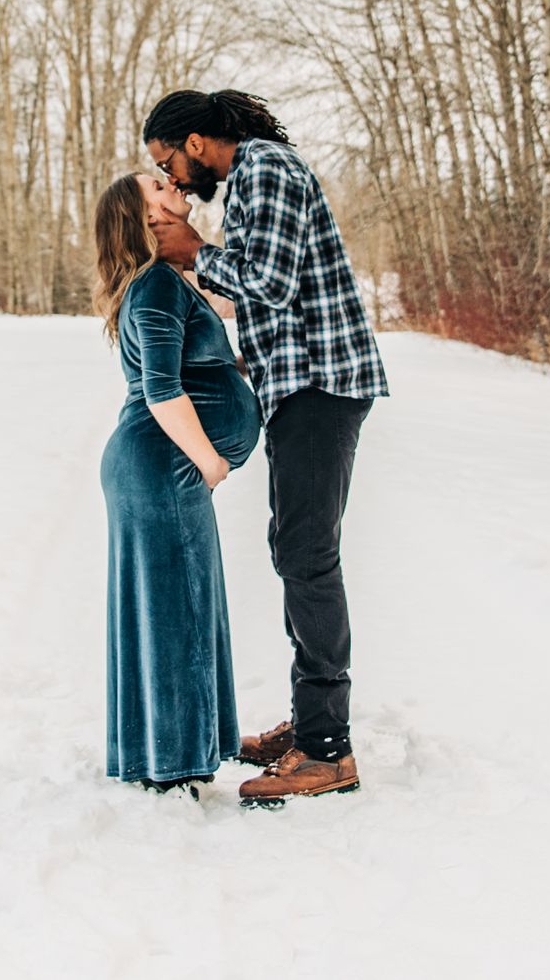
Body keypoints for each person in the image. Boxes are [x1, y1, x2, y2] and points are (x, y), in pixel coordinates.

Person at [142, 89, 386, 804]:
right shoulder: (252, 179)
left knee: (308, 554)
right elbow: (252, 292)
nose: (177, 181)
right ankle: (312, 724)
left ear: (193, 139)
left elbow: (270, 286)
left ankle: (327, 748)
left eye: (169, 163)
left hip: (321, 382)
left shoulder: (265, 168)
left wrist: (193, 250)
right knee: (294, 549)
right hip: (300, 385)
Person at [92, 168, 262, 796]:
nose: (179, 192)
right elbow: (163, 391)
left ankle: (174, 749)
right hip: (163, 463)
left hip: (158, 466)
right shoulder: (157, 284)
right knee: (177, 610)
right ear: (143, 218)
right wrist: (212, 462)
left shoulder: (167, 282)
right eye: (162, 191)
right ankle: (176, 765)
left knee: (176, 606)